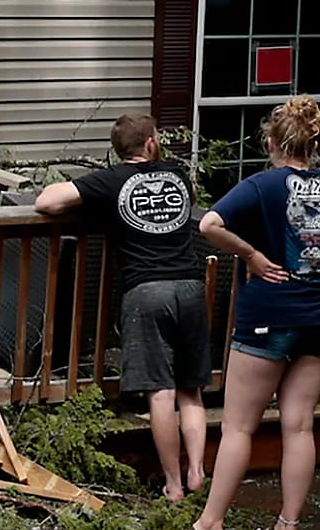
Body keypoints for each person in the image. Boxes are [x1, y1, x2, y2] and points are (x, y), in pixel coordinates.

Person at [165, 96, 320, 530]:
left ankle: (210, 525)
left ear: (271, 141)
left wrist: (250, 254)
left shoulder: (264, 186)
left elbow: (209, 224)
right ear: (313, 144)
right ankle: (287, 527)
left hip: (268, 316)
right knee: (299, 425)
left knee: (239, 427)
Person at [35, 113, 211, 501]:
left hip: (145, 291)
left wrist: (95, 205)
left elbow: (46, 201)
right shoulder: (178, 175)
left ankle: (174, 485)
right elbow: (191, 204)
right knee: (191, 391)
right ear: (150, 143)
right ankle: (198, 472)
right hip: (190, 286)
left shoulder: (112, 181)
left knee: (160, 393)